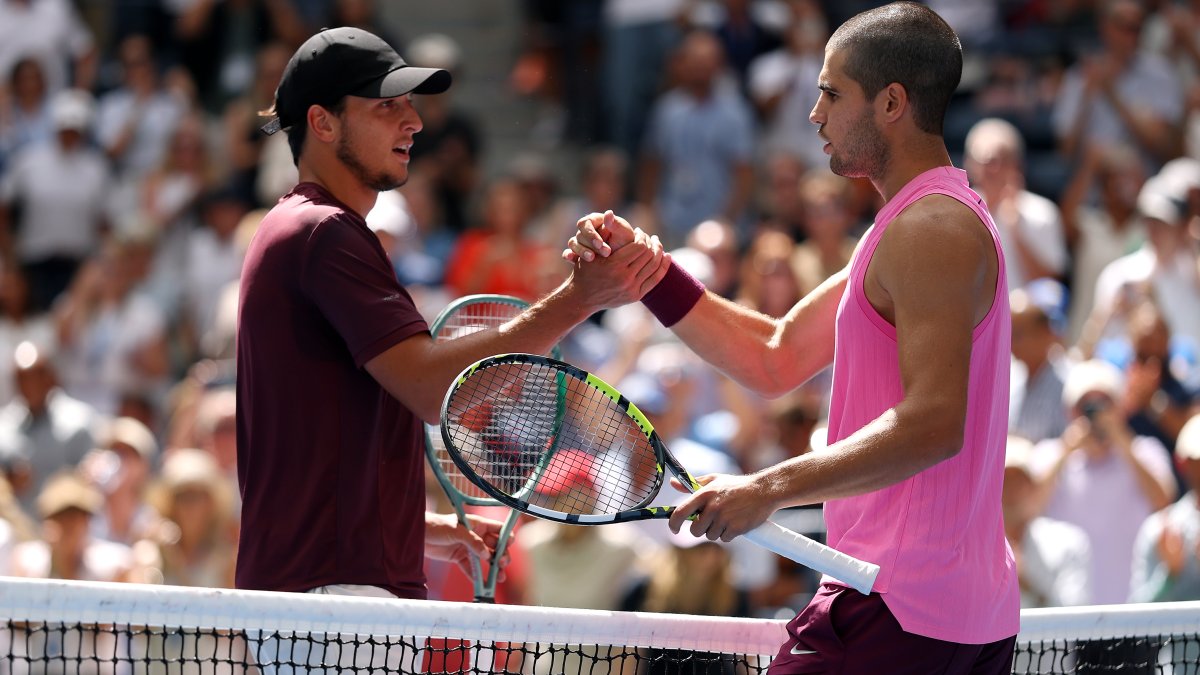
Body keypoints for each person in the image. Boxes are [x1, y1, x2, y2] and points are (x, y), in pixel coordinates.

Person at [567, 3, 1018, 672]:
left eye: (832, 93)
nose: (815, 114)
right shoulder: (914, 223)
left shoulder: (931, 229)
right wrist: (650, 273)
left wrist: (769, 486)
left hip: (897, 608)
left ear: (892, 102)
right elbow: (774, 355)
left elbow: (933, 423)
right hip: (938, 612)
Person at [237, 26, 669, 604]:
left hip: (328, 593)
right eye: (387, 106)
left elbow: (314, 448)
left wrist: (413, 531)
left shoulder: (306, 229)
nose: (413, 122)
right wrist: (580, 296)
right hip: (333, 600)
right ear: (323, 123)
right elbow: (438, 388)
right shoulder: (324, 232)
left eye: (410, 105)